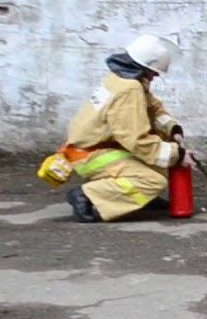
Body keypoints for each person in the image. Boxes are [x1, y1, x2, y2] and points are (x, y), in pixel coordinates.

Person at [60, 35, 192, 223]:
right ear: (144, 66)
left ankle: (141, 197)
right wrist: (178, 154)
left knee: (161, 155)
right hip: (90, 154)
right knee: (153, 180)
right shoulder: (129, 89)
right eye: (154, 71)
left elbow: (153, 108)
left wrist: (173, 129)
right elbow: (136, 140)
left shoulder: (123, 79)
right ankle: (86, 195)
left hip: (93, 146)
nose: (156, 75)